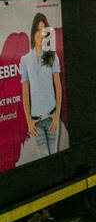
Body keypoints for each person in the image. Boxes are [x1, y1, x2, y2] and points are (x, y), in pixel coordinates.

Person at [20, 13, 63, 160]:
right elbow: (25, 93)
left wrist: (57, 115)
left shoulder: (51, 56)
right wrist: (29, 121)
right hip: (36, 122)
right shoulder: (24, 60)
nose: (41, 35)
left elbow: (58, 87)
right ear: (33, 33)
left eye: (44, 31)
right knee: (43, 159)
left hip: (51, 118)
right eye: (38, 30)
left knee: (55, 157)